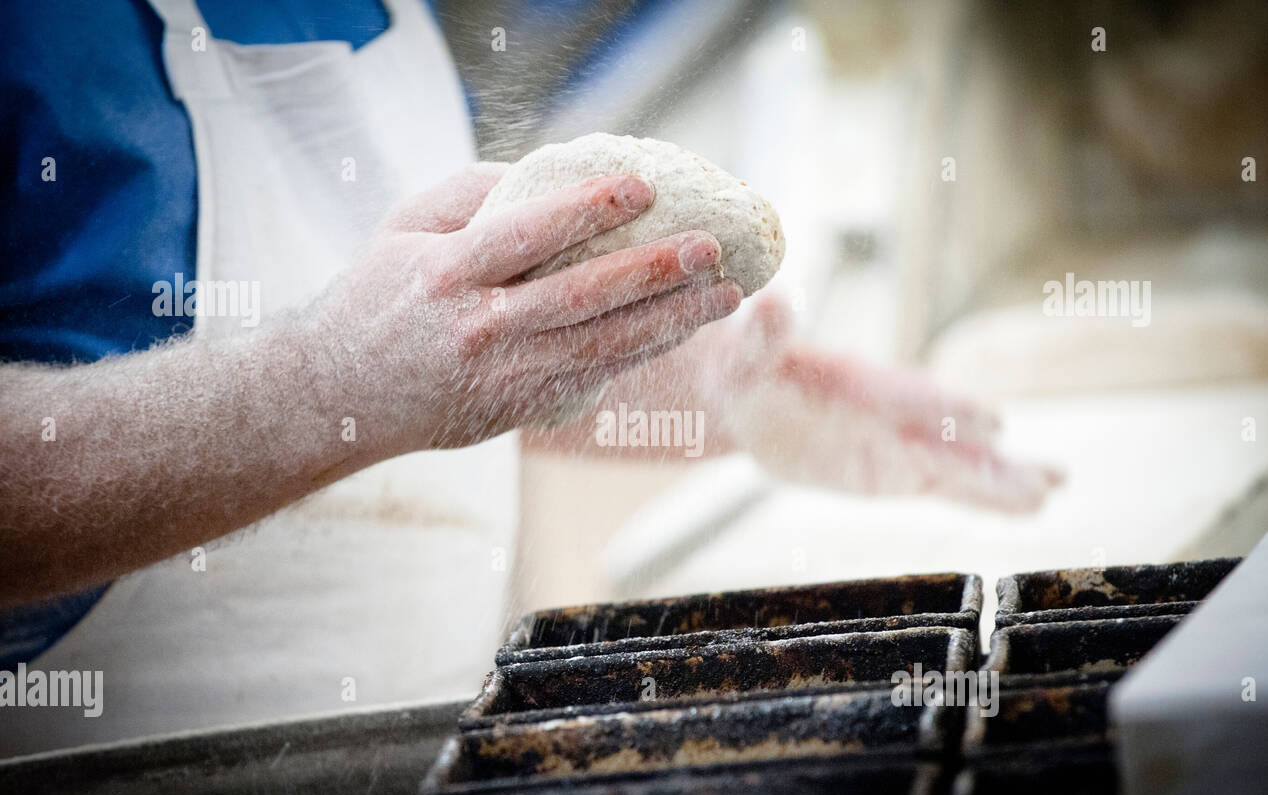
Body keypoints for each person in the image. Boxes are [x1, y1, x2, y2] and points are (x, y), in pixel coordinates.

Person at [0, 0, 1058, 757]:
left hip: (443, 786)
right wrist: (323, 384)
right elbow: (345, 363)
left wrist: (700, 384)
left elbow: (432, 358)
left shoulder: (402, 20)